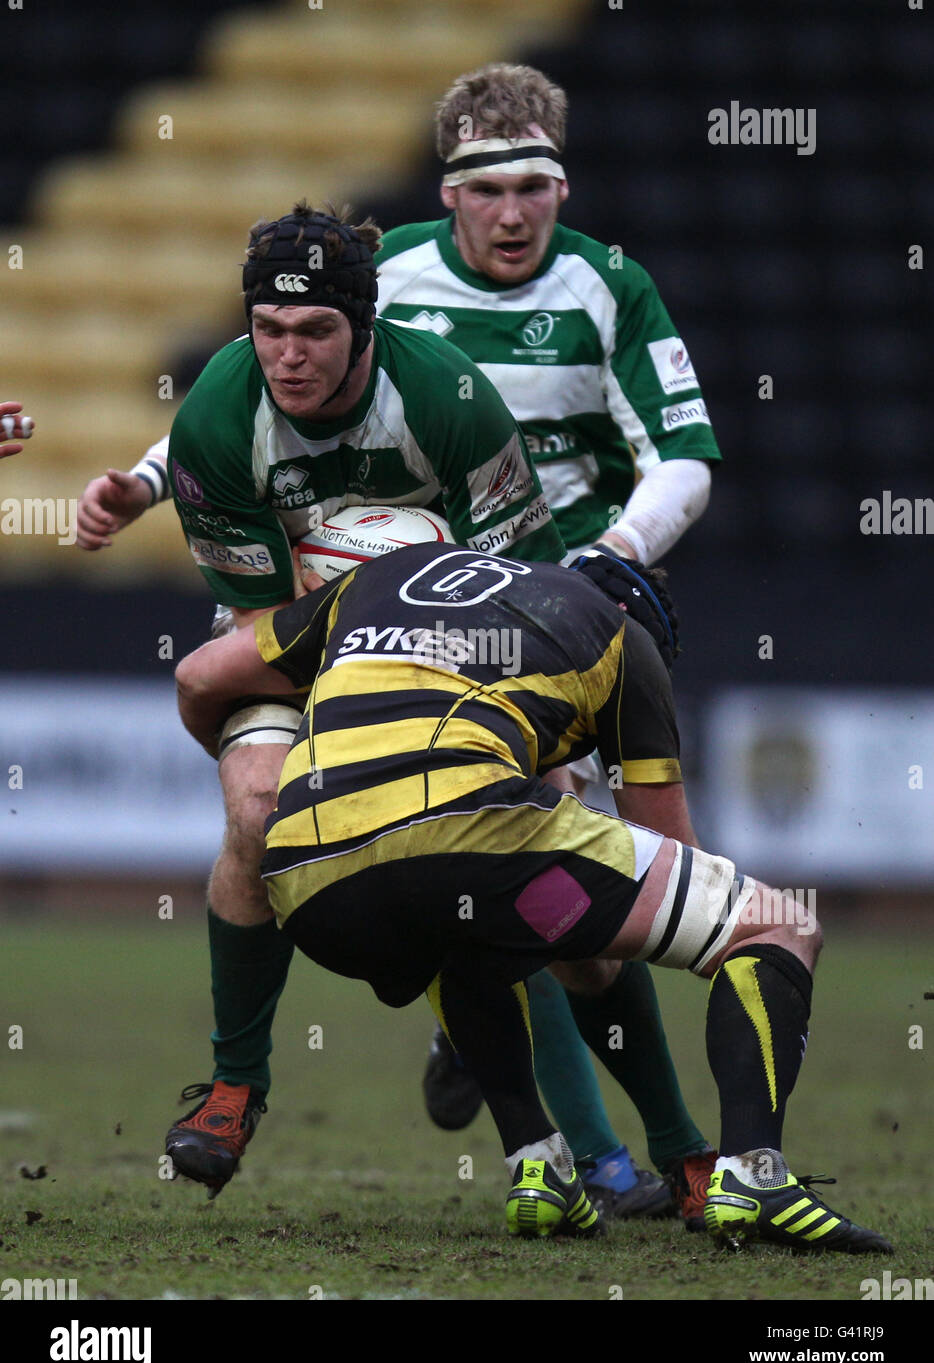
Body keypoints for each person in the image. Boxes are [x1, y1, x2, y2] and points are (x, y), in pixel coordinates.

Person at [171, 538, 891, 1253]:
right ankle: (753, 1175)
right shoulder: (621, 634)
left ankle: (538, 1168)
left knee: (468, 940)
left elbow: (201, 676)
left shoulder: (384, 575)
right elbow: (674, 853)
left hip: (306, 878)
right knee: (771, 927)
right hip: (474, 836)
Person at [80, 201, 567, 1196]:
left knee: (522, 828)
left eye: (314, 331)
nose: (287, 354)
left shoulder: (450, 396)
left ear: (363, 328)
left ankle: (580, 1104)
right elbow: (268, 630)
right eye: (268, 329)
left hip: (449, 652)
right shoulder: (218, 411)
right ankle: (233, 1085)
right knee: (259, 814)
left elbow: (527, 590)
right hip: (284, 645)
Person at [374, 62, 722, 1222]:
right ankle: (631, 1161)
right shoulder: (380, 283)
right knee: (527, 868)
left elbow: (684, 453)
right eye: (489, 188)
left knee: (587, 924)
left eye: (536, 185)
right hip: (422, 616)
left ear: (560, 185)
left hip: (568, 606)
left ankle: (494, 1034)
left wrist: (613, 553)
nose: (514, 213)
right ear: (449, 190)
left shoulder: (611, 286)